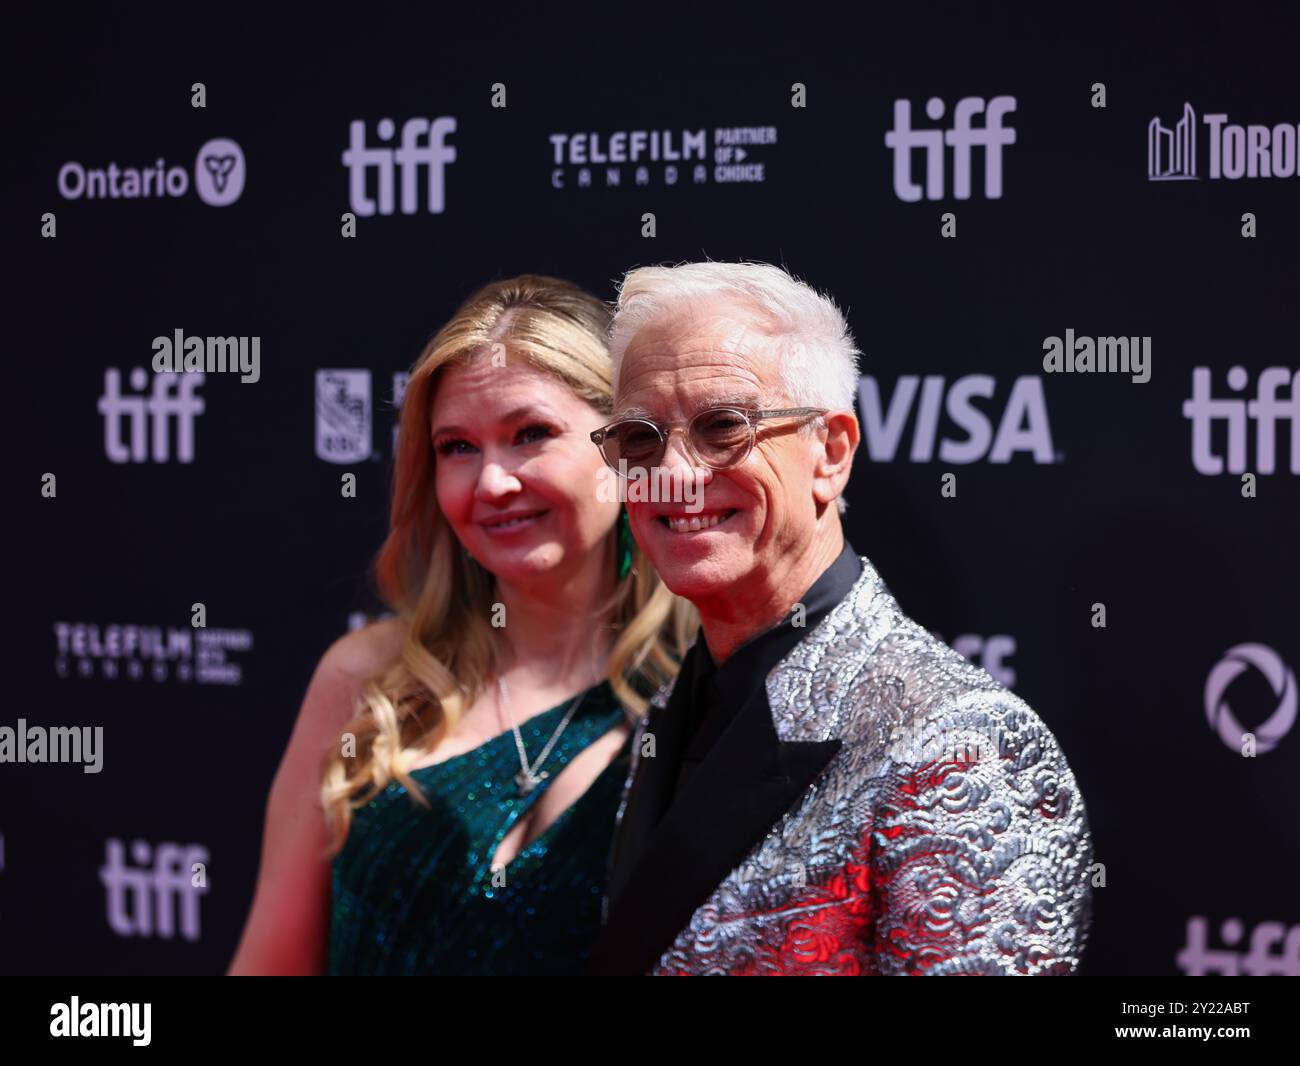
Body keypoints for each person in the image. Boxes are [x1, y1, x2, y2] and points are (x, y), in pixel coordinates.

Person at [586, 261, 1094, 975]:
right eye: (639, 438)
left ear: (831, 452)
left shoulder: (960, 742)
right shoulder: (670, 707)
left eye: (722, 426)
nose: (674, 470)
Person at [227, 275, 694, 975]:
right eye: (457, 447)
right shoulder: (369, 680)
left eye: (530, 434)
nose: (492, 483)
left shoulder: (699, 697)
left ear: (623, 447)